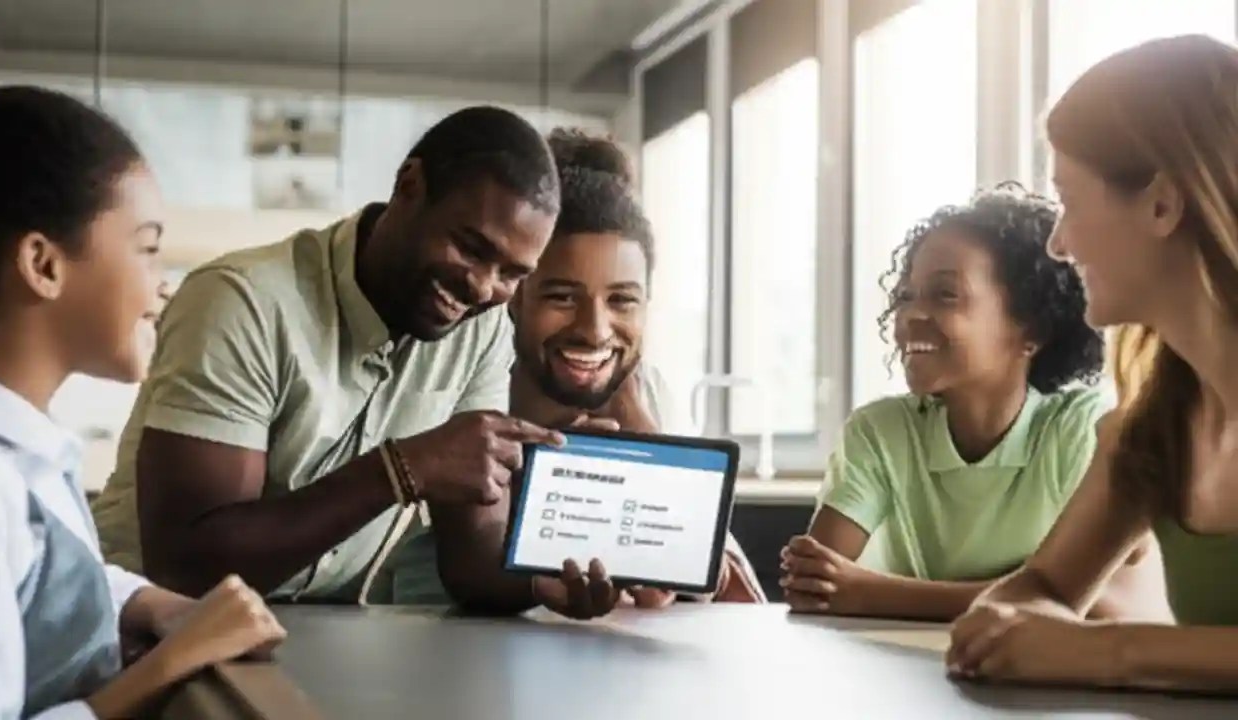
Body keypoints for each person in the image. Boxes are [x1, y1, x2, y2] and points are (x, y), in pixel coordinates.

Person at [91, 106, 613, 613]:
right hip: (144, 637)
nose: (481, 286)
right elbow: (187, 570)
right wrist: (399, 470)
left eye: (511, 273)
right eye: (469, 247)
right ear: (409, 185)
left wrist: (545, 575)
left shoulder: (481, 331)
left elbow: (471, 564)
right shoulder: (242, 301)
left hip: (301, 641)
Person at [0, 85, 285, 719]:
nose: (162, 287)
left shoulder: (10, 450)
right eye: (148, 248)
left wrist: (151, 603)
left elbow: (28, 580)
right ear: (43, 264)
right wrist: (175, 662)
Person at [948, 34, 1238, 692]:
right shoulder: (1147, 433)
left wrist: (1107, 652)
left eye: (1071, 203)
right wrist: (1007, 621)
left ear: (1163, 204)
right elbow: (1043, 584)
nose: (1057, 242)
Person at [779, 183, 1170, 622]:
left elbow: (1097, 604)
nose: (910, 315)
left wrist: (873, 594)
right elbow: (815, 587)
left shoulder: (1081, 429)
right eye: (907, 296)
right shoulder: (879, 433)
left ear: (1032, 330)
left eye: (945, 295)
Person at [433, 128, 764, 615]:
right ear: (514, 295)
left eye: (623, 300)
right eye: (562, 297)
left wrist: (638, 426)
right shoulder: (469, 383)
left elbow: (738, 593)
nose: (595, 331)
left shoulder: (644, 387)